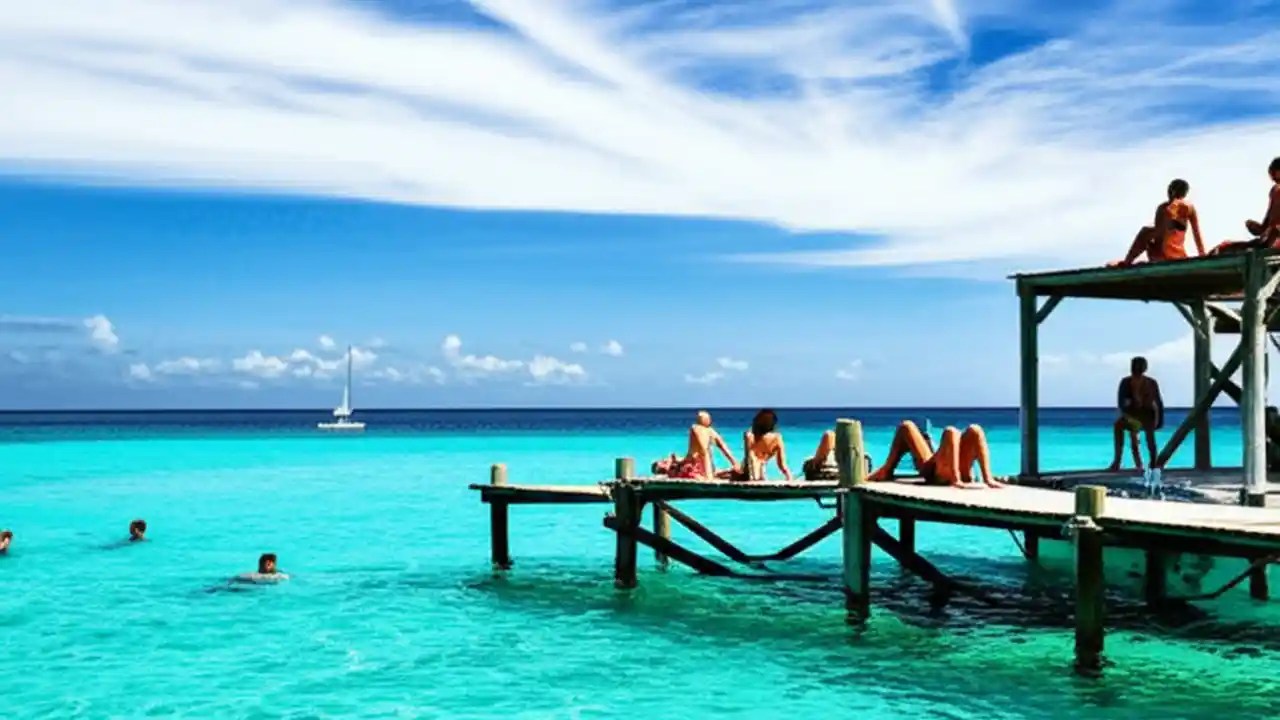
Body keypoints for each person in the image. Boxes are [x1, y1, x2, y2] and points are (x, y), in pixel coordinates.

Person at [865, 420, 1002, 488]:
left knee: (965, 430)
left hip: (940, 475)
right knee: (906, 426)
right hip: (951, 472)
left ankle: (971, 479)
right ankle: (986, 479)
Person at [1109, 179, 1205, 266]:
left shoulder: (1170, 207)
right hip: (1176, 254)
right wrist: (1202, 254)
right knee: (1151, 233)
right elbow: (1196, 233)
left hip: (1167, 255)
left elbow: (1160, 231)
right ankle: (1129, 261)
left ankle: (1127, 262)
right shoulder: (1189, 207)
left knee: (1145, 232)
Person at [1209, 157, 1280, 254]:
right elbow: (1264, 226)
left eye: (1274, 174)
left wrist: (1274, 231)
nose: (1272, 178)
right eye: (1271, 174)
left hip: (1274, 244)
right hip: (1265, 242)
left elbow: (1274, 229)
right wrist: (1254, 227)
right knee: (1221, 249)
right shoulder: (1274, 191)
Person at [1108, 356, 1164, 472]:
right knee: (1118, 426)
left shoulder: (1151, 383)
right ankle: (1117, 461)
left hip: (1148, 416)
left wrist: (1160, 421)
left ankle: (1153, 462)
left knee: (1150, 437)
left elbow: (1158, 402)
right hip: (1132, 416)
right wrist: (1128, 413)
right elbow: (1121, 402)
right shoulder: (1126, 382)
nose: (1136, 369)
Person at [651, 410, 737, 479]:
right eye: (663, 462)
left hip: (702, 467)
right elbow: (688, 460)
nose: (664, 460)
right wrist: (676, 461)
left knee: (706, 432)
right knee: (696, 429)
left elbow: (687, 459)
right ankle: (732, 464)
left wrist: (677, 460)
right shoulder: (671, 472)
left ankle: (734, 464)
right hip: (702, 471)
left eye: (663, 460)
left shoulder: (707, 430)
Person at [732, 409, 794, 482]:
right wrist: (789, 478)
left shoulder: (749, 436)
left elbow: (748, 460)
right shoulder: (777, 438)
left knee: (733, 471)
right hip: (760, 472)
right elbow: (782, 465)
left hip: (749, 472)